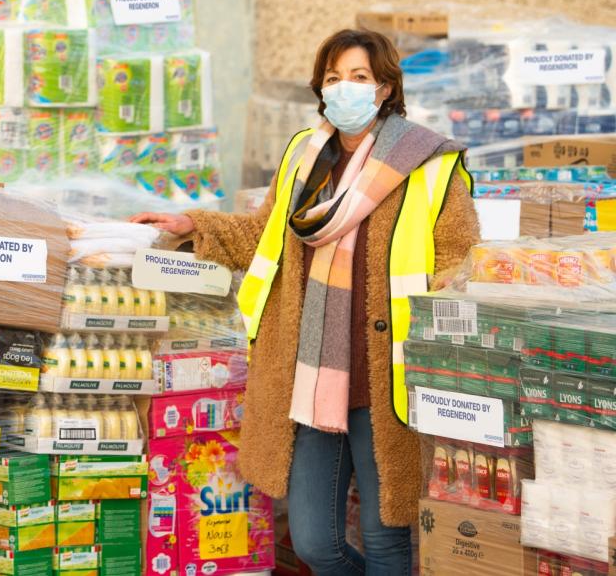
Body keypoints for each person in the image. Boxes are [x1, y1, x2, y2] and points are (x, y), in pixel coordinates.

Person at [133, 29, 480, 574]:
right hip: (312, 374)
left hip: (389, 378)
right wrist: (193, 223)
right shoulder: (304, 154)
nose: (345, 88)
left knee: (386, 540)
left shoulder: (428, 163)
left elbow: (459, 260)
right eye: (334, 77)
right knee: (316, 543)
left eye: (360, 78)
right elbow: (264, 234)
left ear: (385, 87)